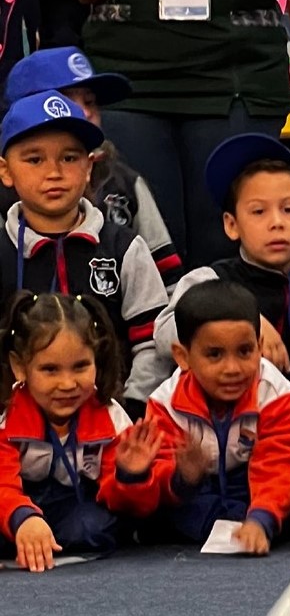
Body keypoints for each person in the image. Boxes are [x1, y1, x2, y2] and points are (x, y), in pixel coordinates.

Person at [80, 0, 290, 270]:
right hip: (127, 75)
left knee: (227, 244)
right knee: (144, 241)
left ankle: (231, 314)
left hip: (238, 72)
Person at [154, 134, 290, 417]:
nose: (276, 223)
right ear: (231, 224)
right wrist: (246, 318)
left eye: (289, 209)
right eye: (259, 211)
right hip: (214, 433)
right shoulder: (208, 280)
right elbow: (164, 337)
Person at [0, 91, 170, 417]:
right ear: (6, 171)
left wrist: (128, 410)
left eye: (70, 158)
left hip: (112, 424)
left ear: (90, 167)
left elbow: (152, 343)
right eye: (35, 159)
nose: (54, 172)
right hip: (12, 430)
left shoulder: (125, 247)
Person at [135, 281, 290, 554]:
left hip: (250, 482)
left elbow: (280, 465)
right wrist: (184, 478)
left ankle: (255, 523)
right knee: (163, 516)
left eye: (244, 351)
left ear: (260, 346)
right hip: (196, 491)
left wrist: (261, 519)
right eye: (214, 354)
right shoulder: (164, 404)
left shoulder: (277, 394)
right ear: (183, 356)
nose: (232, 368)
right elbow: (159, 475)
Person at [0, 291, 162, 571]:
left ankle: (42, 539)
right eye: (50, 370)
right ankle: (28, 535)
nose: (67, 384)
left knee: (92, 527)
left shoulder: (110, 417)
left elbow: (128, 506)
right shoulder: (7, 417)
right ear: (20, 367)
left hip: (73, 504)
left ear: (96, 361)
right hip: (16, 504)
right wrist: (23, 519)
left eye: (80, 367)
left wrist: (130, 475)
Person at [3, 45, 184, 289]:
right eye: (64, 102)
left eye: (90, 101)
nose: (86, 112)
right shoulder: (5, 193)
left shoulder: (125, 183)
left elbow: (167, 282)